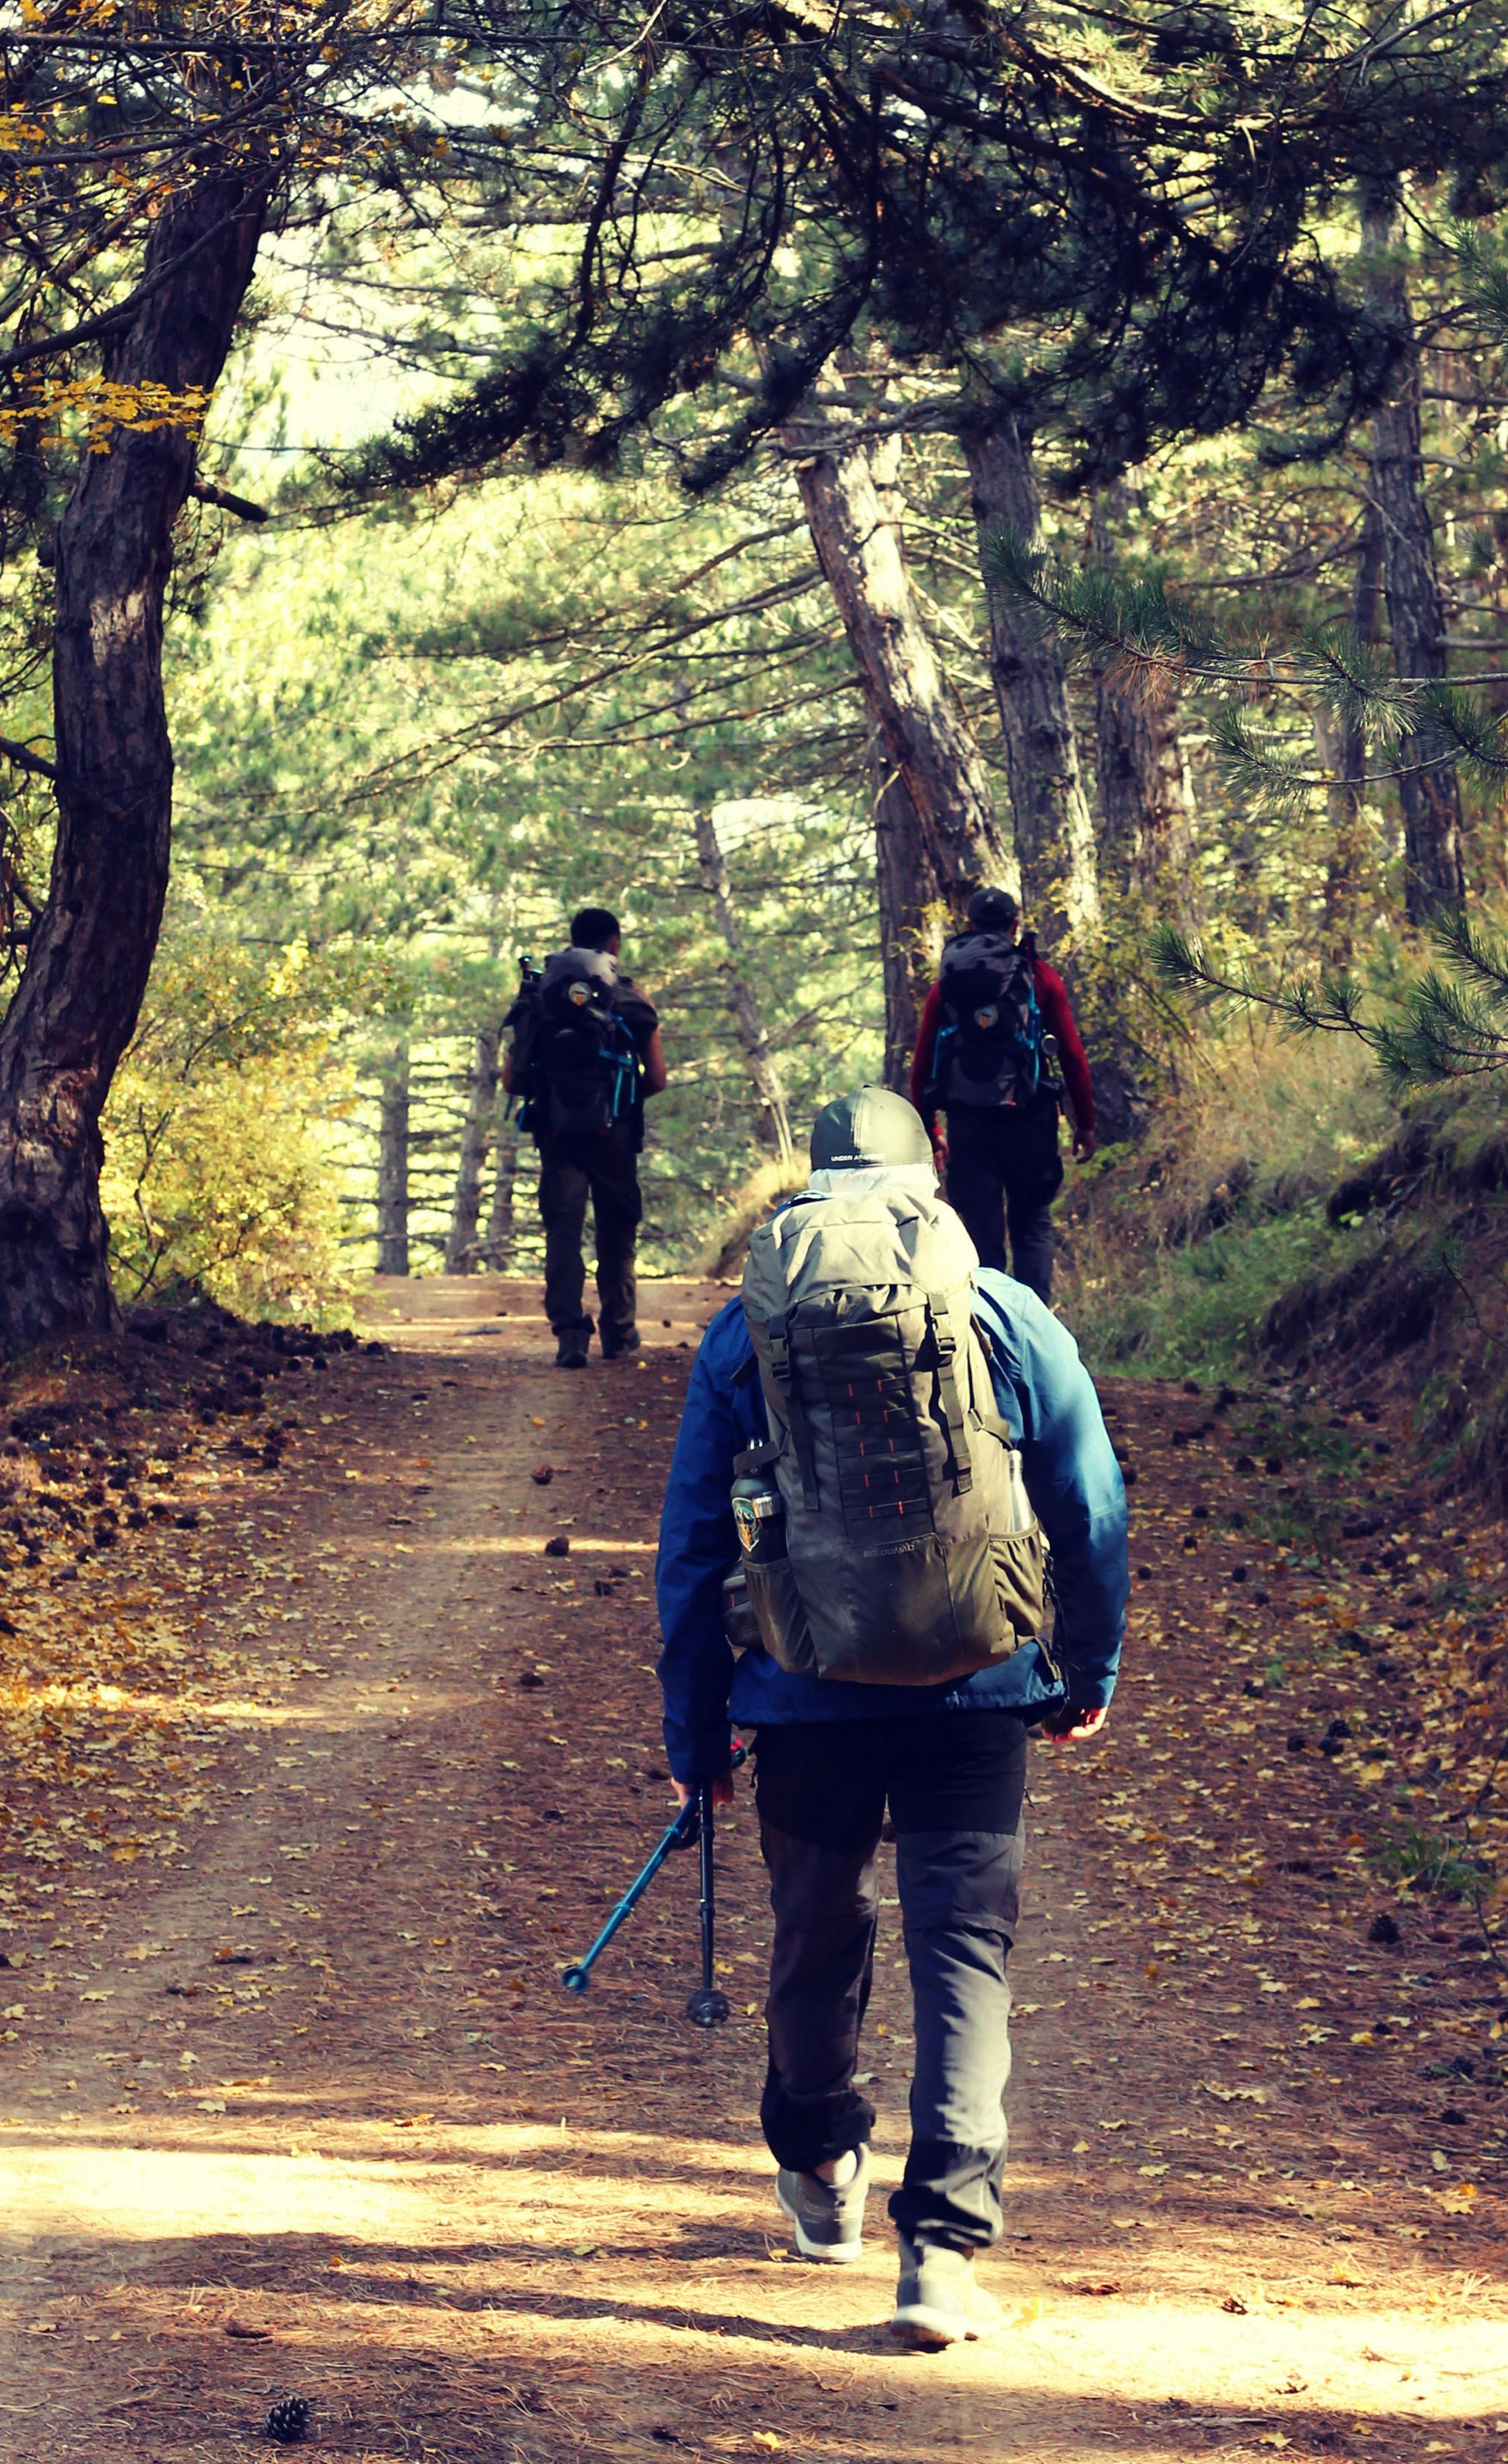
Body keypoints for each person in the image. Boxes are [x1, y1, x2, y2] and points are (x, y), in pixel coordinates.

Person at [654, 1087, 1127, 2346]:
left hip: (802, 1695)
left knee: (819, 1926)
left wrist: (695, 1738)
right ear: (929, 1180)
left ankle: (817, 2166)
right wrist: (1087, 1670)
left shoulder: (746, 1335)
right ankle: (941, 2252)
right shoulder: (1007, 1313)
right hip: (975, 1686)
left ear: (809, 1188)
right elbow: (1089, 1510)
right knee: (962, 1952)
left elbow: (695, 1547)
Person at [908, 885, 1095, 1304]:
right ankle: (1036, 1335)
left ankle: (993, 1340)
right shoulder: (1040, 976)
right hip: (1031, 1119)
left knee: (982, 1236)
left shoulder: (947, 987)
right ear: (1015, 925)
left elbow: (921, 1068)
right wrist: (1086, 1124)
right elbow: (1072, 1055)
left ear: (970, 925)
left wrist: (930, 1130)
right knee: (1031, 1225)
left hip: (969, 1125)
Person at [502, 906, 668, 1369]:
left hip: (557, 1137)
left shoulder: (542, 998)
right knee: (616, 1234)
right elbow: (656, 1080)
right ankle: (618, 1331)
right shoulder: (630, 998)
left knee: (563, 1234)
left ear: (572, 940)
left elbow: (513, 1082)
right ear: (614, 944)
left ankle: (571, 1335)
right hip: (614, 1138)